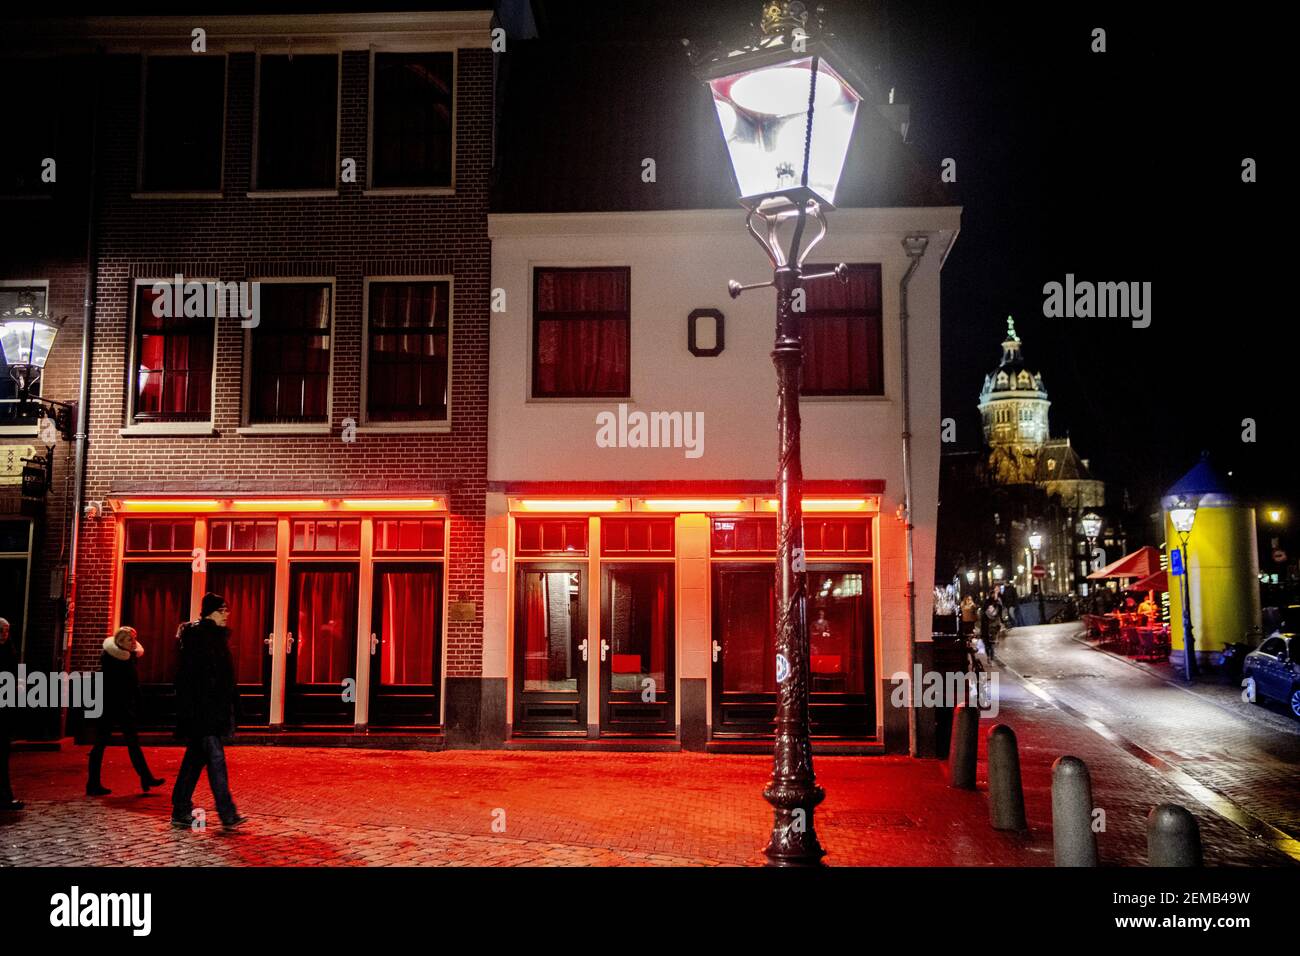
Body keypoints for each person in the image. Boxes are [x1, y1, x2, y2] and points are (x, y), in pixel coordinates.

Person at [170, 593, 245, 830]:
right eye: (223, 610)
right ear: (211, 612)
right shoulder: (203, 639)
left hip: (207, 711)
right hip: (204, 712)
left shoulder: (212, 638)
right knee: (215, 759)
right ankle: (227, 813)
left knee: (194, 761)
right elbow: (194, 678)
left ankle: (180, 808)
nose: (227, 614)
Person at [86, 627, 165, 797]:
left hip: (120, 706)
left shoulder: (127, 657)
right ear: (120, 642)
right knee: (102, 744)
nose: (134, 643)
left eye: (134, 639)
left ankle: (146, 777)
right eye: (130, 640)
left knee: (131, 743)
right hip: (110, 706)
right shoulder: (114, 660)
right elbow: (124, 684)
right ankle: (93, 783)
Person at [0, 617, 22, 811]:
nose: (4, 635)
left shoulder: (10, 650)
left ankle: (6, 795)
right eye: (1, 631)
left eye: (6, 631)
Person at [980, 592, 1004, 663]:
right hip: (988, 628)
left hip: (990, 628)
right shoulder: (993, 606)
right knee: (990, 644)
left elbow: (999, 611)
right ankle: (990, 657)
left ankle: (990, 657)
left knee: (990, 644)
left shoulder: (995, 605)